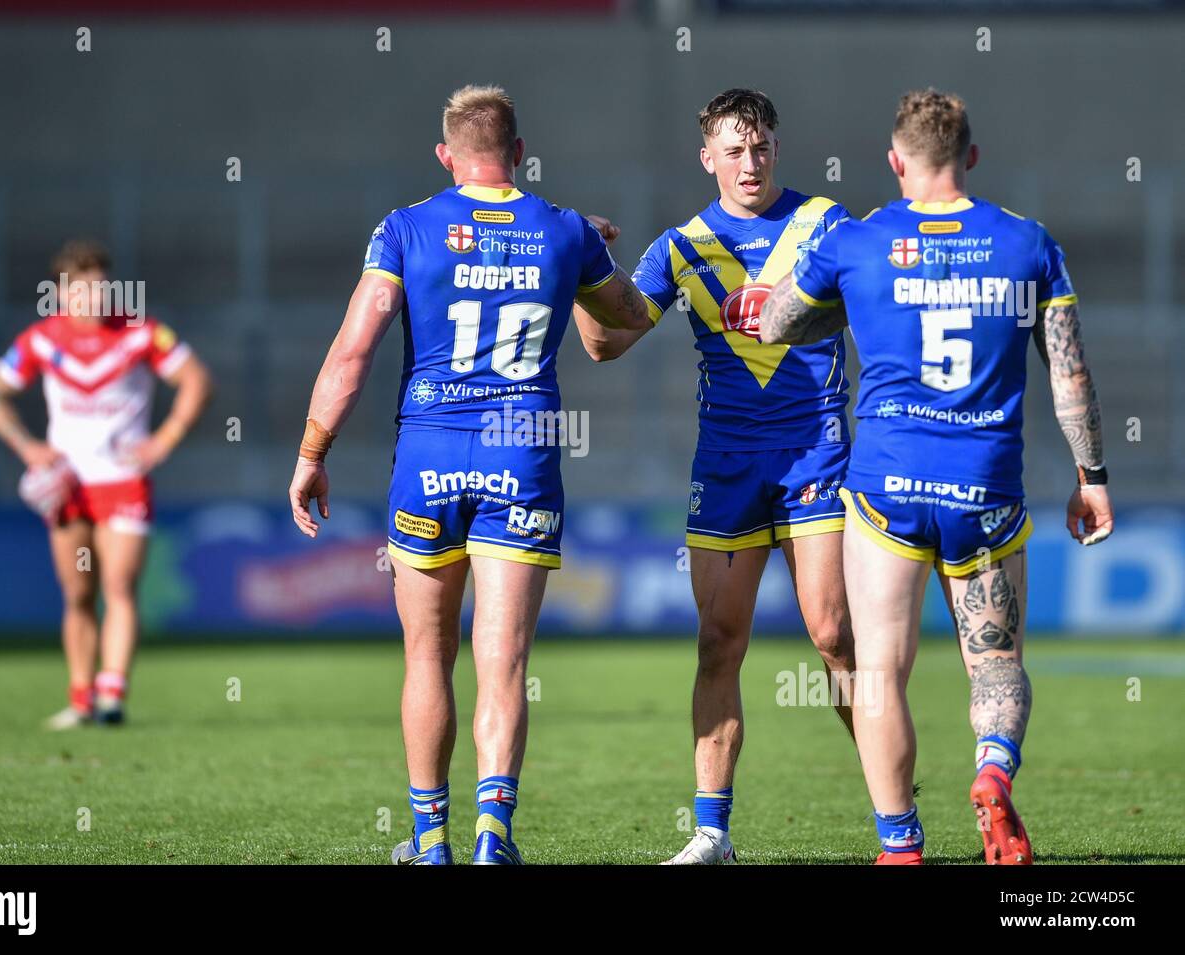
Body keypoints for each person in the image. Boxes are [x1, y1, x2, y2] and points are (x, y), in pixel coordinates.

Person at [287, 85, 652, 865]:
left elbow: (351, 357)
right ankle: (495, 834)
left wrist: (313, 452)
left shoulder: (405, 229)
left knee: (427, 656)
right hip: (521, 453)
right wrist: (590, 253)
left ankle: (430, 840)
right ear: (519, 153)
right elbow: (627, 315)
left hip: (429, 456)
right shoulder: (562, 231)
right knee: (504, 661)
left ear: (447, 157)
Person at [760, 88, 1114, 865]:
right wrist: (1092, 474)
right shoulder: (1028, 244)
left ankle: (899, 846)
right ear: (972, 158)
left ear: (895, 162)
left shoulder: (856, 242)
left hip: (887, 484)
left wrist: (845, 302)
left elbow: (778, 322)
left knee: (878, 668)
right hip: (984, 483)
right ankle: (992, 771)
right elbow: (1070, 373)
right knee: (995, 663)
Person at [573, 89, 857, 864]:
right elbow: (606, 344)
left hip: (816, 457)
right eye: (733, 151)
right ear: (708, 159)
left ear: (776, 148)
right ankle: (711, 834)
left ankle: (893, 809)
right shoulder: (681, 247)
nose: (750, 163)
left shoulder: (824, 223)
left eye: (760, 147)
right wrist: (581, 269)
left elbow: (881, 305)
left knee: (834, 634)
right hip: (727, 467)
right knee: (717, 643)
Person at [0, 239, 213, 728]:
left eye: (101, 286)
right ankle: (81, 699)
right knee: (77, 594)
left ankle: (112, 696)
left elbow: (196, 380)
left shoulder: (140, 333)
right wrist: (27, 448)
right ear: (61, 293)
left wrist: (164, 439)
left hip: (123, 480)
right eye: (82, 288)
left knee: (119, 587)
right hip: (67, 485)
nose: (94, 296)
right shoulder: (42, 340)